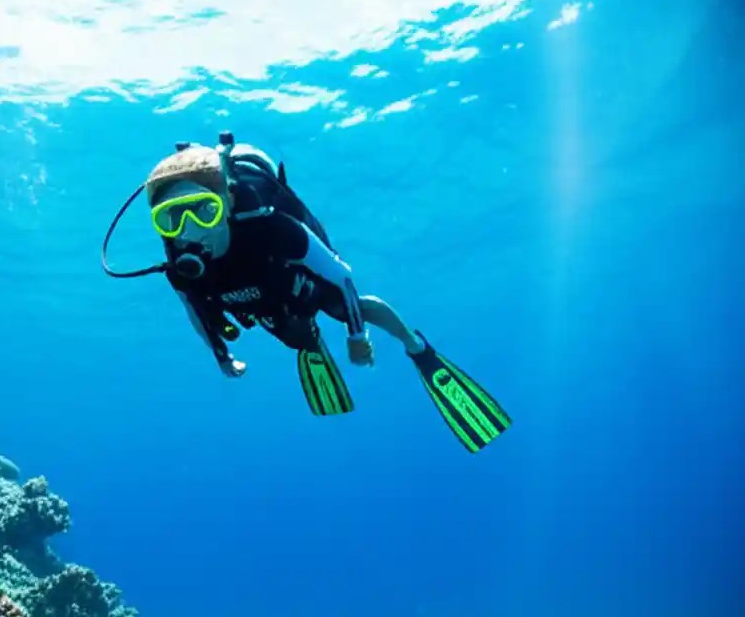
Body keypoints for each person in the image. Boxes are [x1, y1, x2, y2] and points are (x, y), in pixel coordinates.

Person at [101, 131, 511, 453]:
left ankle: (416, 347)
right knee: (296, 336)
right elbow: (195, 312)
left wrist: (356, 336)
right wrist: (220, 354)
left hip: (299, 278)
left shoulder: (274, 228)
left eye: (204, 210)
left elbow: (342, 278)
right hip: (265, 300)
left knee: (341, 305)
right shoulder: (180, 266)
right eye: (171, 219)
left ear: (226, 200)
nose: (190, 230)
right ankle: (311, 338)